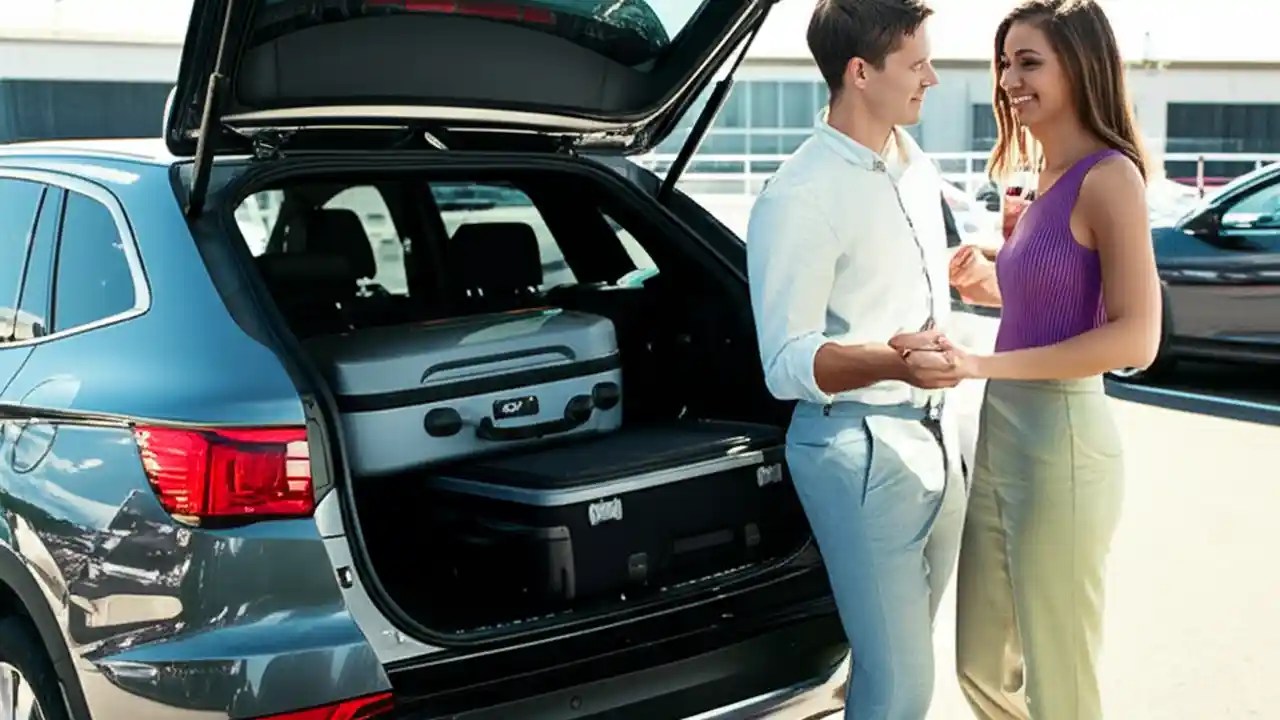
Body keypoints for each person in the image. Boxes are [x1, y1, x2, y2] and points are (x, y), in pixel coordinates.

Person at [896, 1, 1162, 717]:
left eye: (1030, 61)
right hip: (1004, 434)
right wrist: (992, 278)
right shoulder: (1042, 177)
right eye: (1006, 62)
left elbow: (1137, 339)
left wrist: (977, 365)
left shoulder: (1111, 178)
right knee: (981, 666)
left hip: (1063, 445)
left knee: (1061, 683)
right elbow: (1057, 305)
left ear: (1081, 65)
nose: (1011, 79)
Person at [745, 1, 966, 717]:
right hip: (861, 448)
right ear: (861, 72)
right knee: (902, 688)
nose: (933, 77)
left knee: (890, 672)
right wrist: (894, 362)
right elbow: (785, 360)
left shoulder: (914, 163)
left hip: (936, 435)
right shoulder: (799, 195)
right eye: (917, 63)